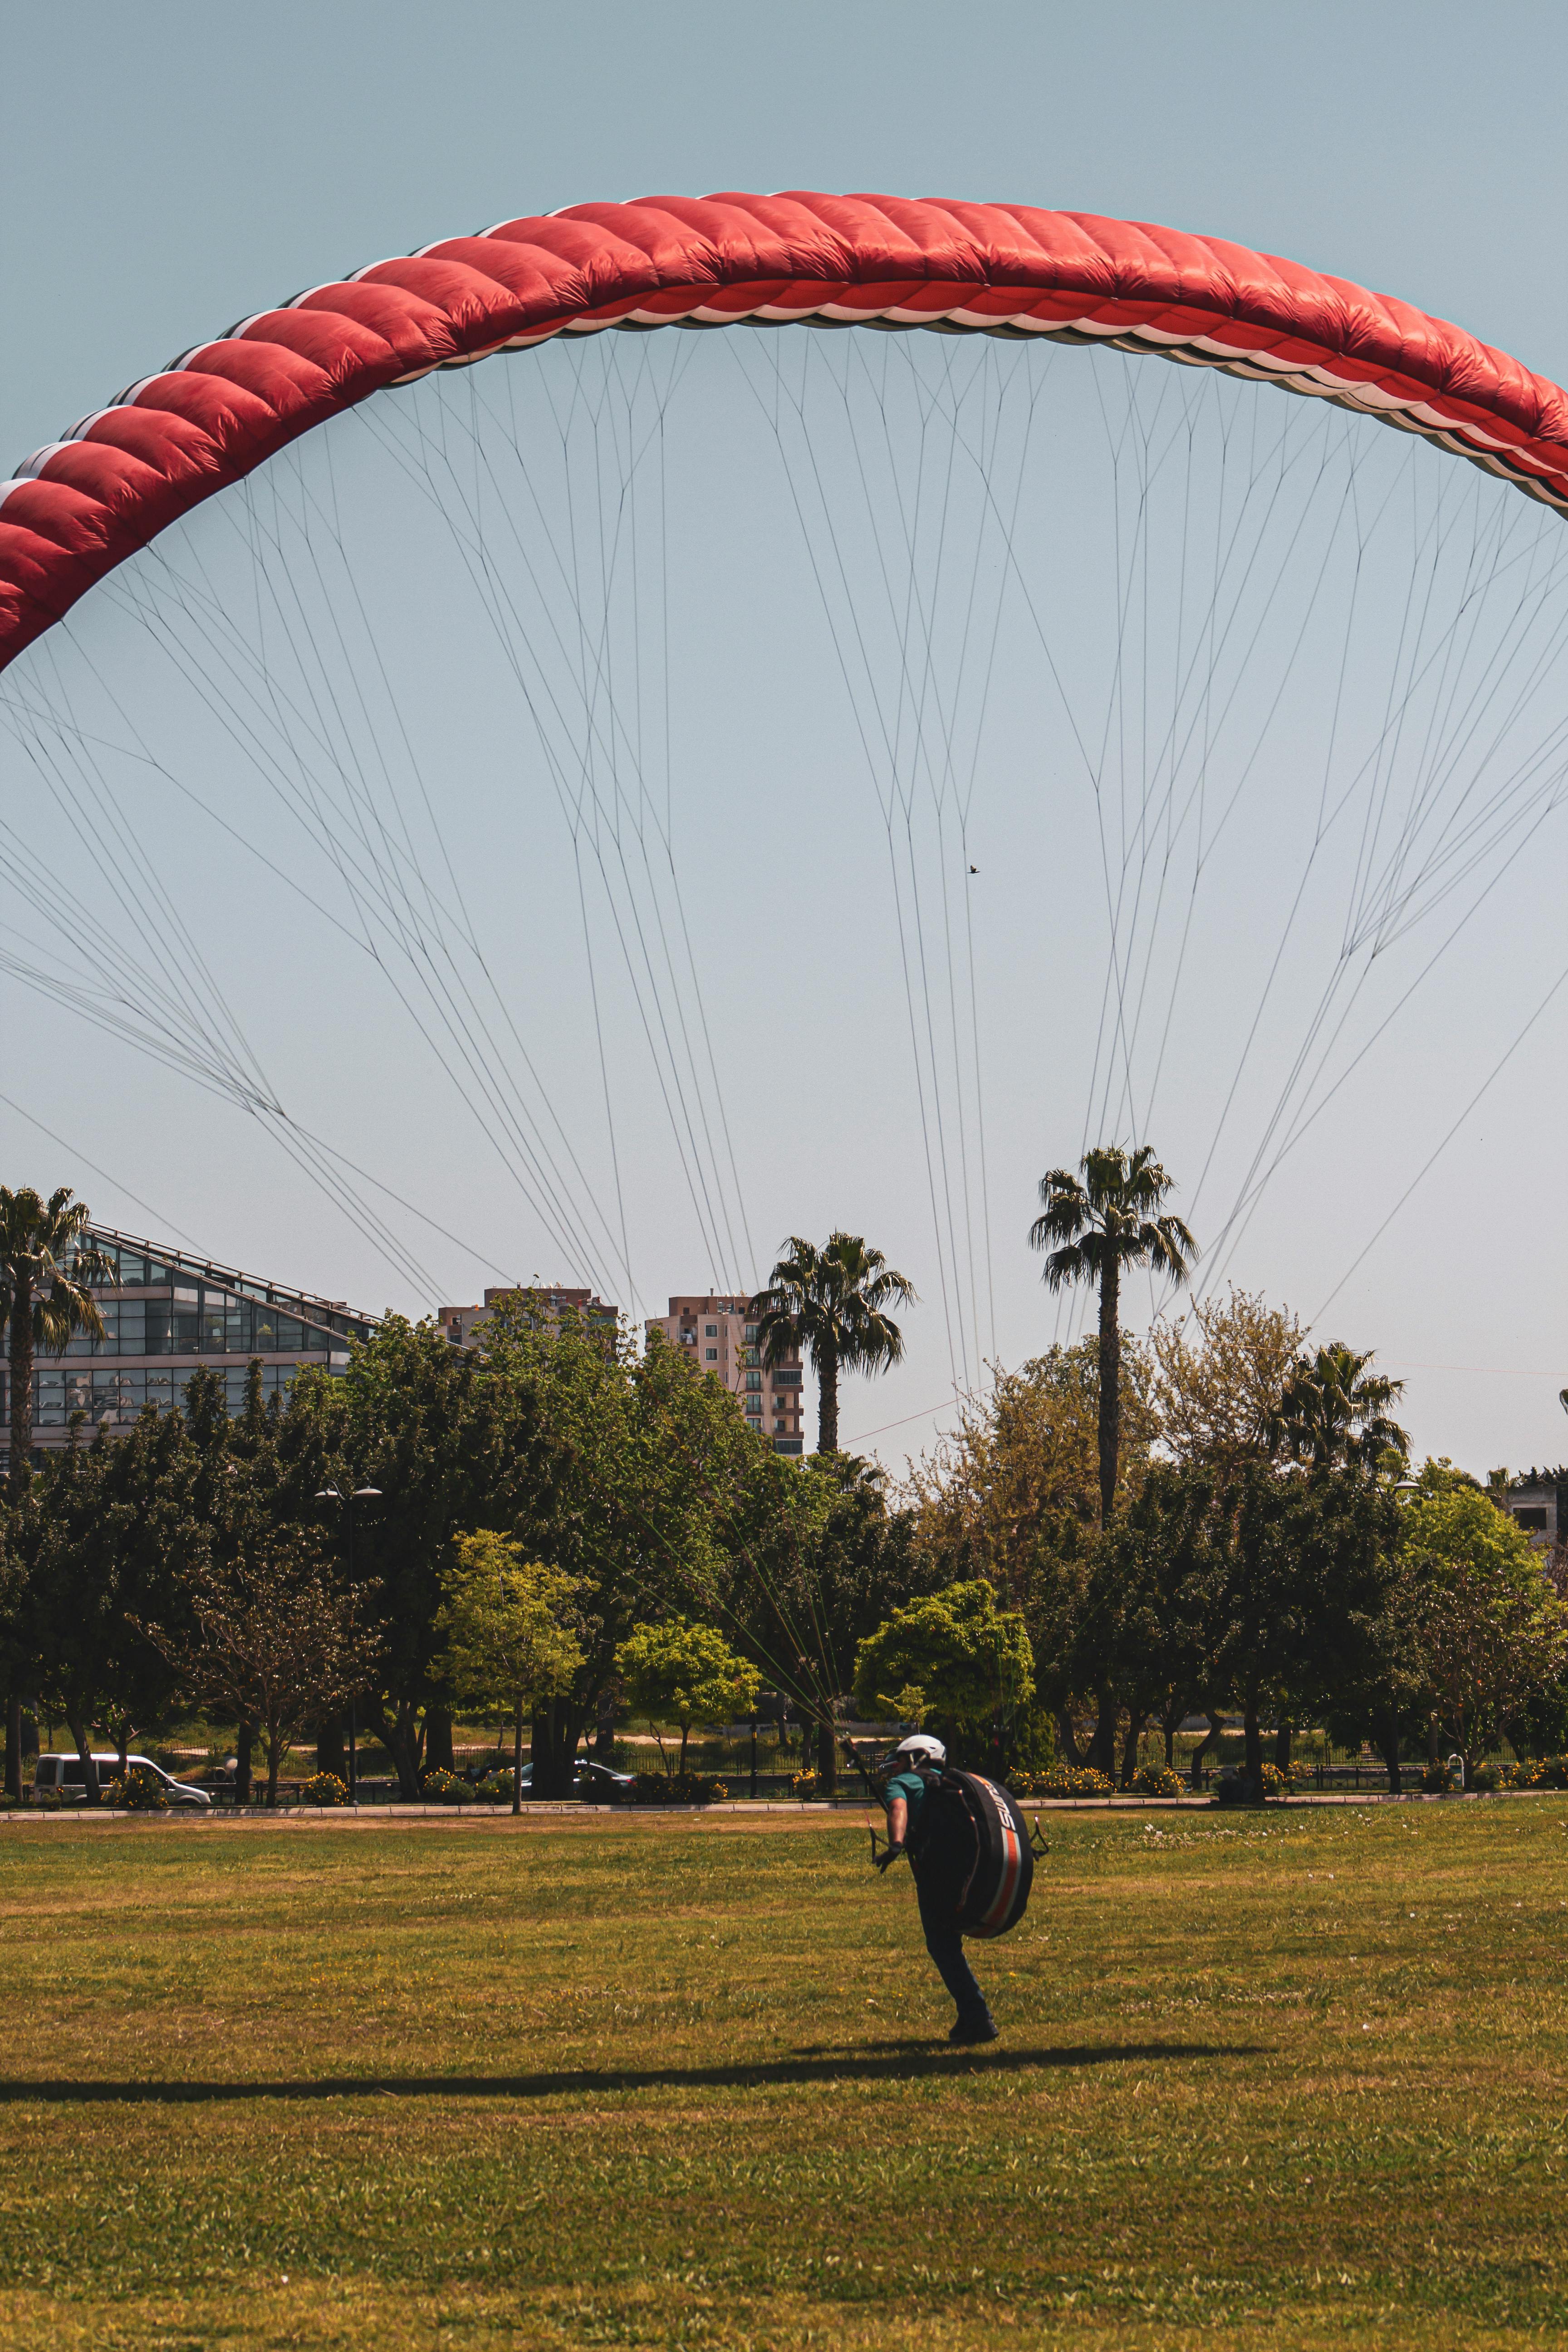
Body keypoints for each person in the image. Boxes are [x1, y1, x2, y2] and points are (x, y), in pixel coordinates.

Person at [877, 1732, 999, 2045]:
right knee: (949, 1944)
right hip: (969, 1870)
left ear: (916, 1758)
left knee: (942, 1946)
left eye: (902, 1759)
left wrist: (895, 1845)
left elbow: (898, 1810)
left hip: (935, 1874)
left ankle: (977, 2015)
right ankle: (969, 2015)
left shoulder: (903, 1783)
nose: (897, 1766)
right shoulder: (953, 1782)